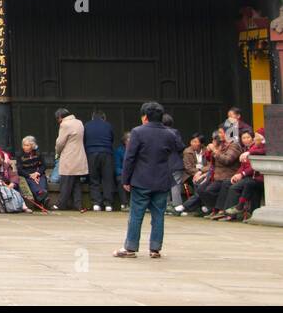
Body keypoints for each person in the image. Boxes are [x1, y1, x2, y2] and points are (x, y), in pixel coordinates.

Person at [115, 102, 181, 259]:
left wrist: (126, 179)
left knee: (136, 214)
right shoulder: (170, 134)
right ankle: (155, 249)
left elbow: (130, 157)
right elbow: (176, 149)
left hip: (141, 179)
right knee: (158, 215)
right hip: (162, 180)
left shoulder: (138, 132)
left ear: (145, 116)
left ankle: (130, 248)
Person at [176, 131, 241, 216]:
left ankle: (212, 209)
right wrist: (201, 170)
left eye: (196, 142)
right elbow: (209, 162)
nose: (193, 144)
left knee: (208, 189)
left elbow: (225, 161)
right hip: (203, 174)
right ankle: (207, 208)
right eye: (192, 141)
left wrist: (214, 151)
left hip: (223, 175)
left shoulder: (233, 146)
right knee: (200, 187)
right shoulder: (188, 151)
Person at [54, 108, 88, 212]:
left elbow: (60, 142)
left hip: (69, 155)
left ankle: (61, 204)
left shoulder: (65, 124)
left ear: (60, 117)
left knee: (66, 181)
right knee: (76, 182)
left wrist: (57, 152)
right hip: (79, 154)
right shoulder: (79, 122)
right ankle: (78, 204)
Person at [84, 110, 115, 212]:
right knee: (107, 179)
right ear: (103, 117)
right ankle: (108, 204)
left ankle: (96, 203)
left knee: (94, 179)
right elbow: (112, 139)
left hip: (91, 153)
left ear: (92, 117)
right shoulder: (108, 125)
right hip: (106, 153)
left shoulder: (87, 125)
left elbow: (84, 140)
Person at [16, 136, 49, 209]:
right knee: (32, 182)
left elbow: (44, 166)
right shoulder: (20, 155)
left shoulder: (38, 154)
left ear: (32, 146)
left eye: (27, 145)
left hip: (38, 174)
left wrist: (38, 173)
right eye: (24, 145)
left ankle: (41, 197)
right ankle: (43, 199)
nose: (25, 147)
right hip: (27, 175)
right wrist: (30, 175)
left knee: (42, 181)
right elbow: (20, 170)